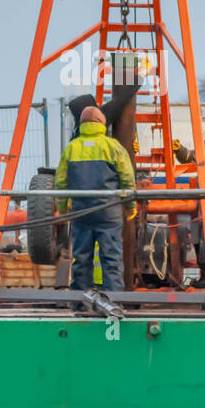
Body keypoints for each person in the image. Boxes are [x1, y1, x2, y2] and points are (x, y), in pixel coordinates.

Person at [54, 105, 137, 291]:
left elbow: (60, 182)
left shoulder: (72, 148)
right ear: (102, 124)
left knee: (81, 259)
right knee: (112, 260)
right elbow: (127, 180)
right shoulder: (113, 147)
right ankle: (114, 301)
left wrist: (62, 208)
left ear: (82, 124)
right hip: (109, 213)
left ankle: (81, 303)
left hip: (81, 213)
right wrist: (130, 207)